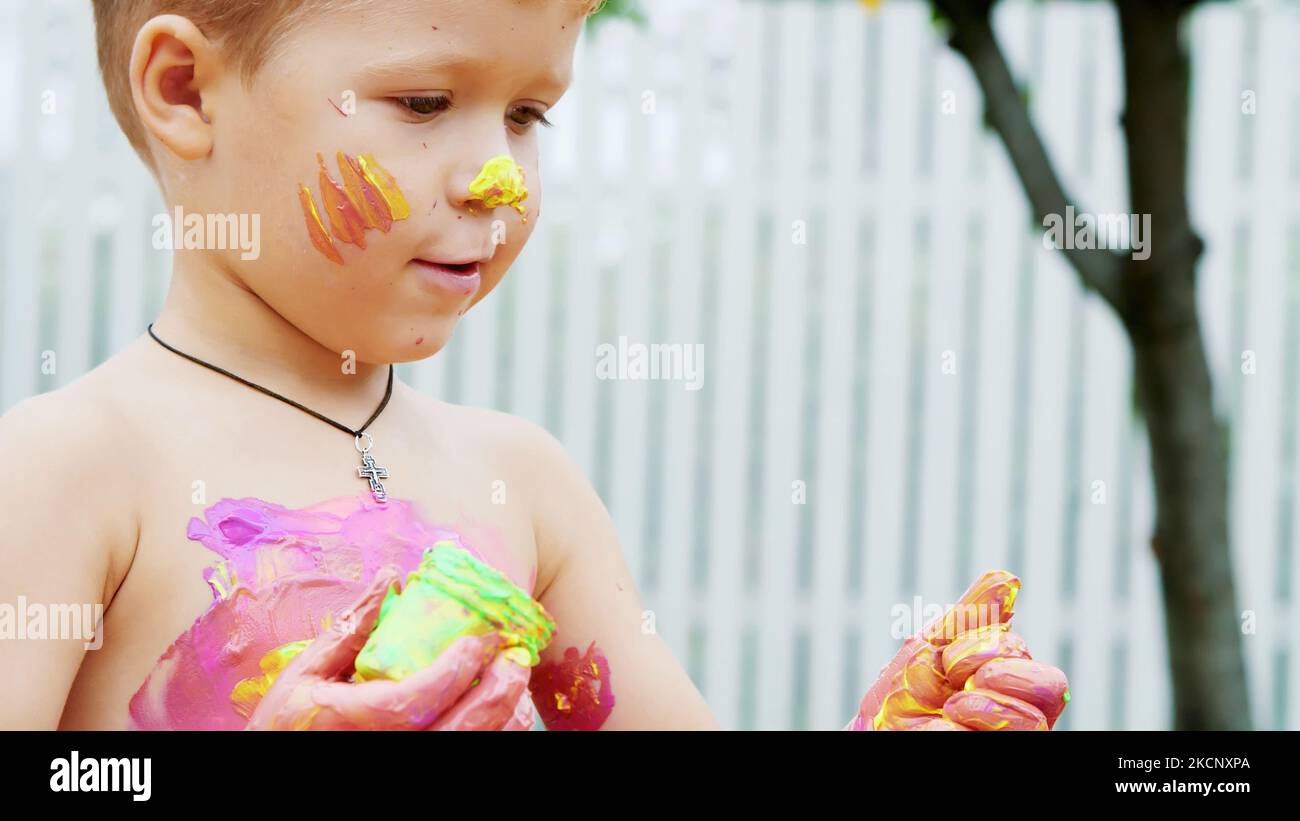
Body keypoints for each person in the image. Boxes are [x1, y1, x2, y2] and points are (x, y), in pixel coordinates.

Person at [0, 0, 1067, 731]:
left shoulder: (524, 481)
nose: (500, 179)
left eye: (526, 114)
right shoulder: (75, 467)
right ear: (185, 88)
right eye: (424, 104)